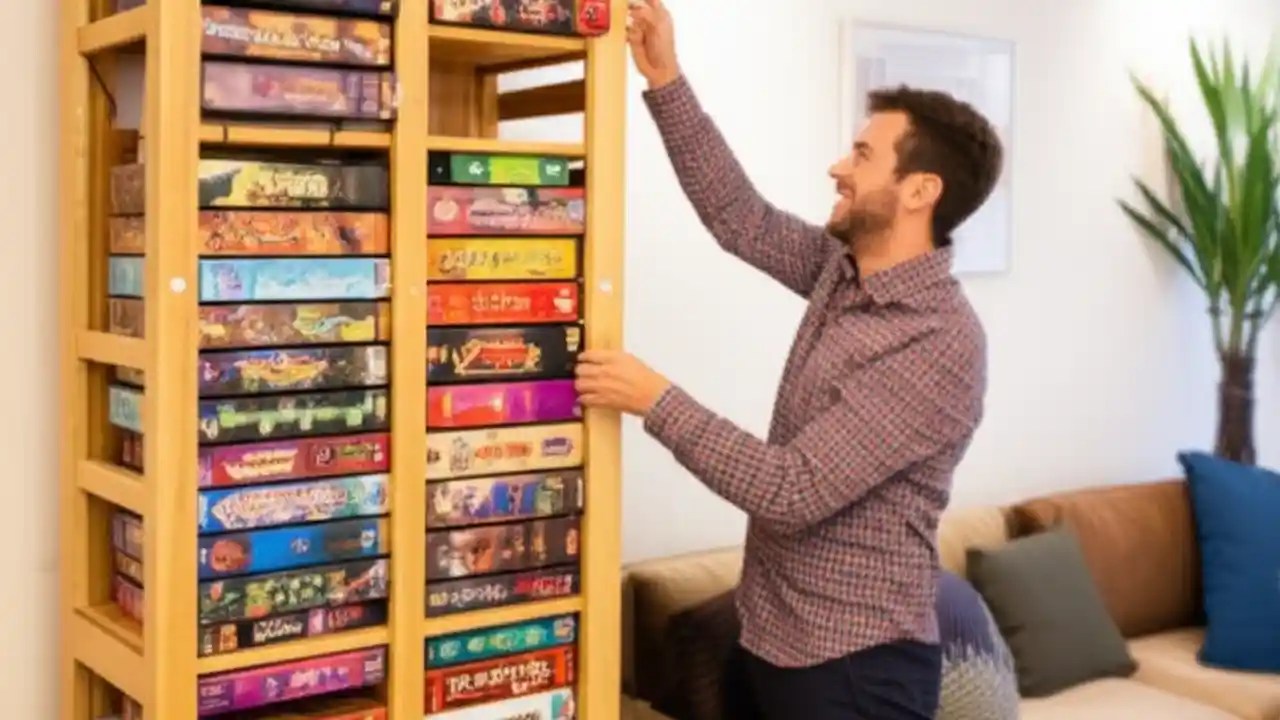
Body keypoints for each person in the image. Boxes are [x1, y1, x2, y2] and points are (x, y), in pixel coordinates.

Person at [573, 0, 1003, 718]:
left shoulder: (940, 344)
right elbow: (739, 218)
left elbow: (792, 490)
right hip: (775, 641)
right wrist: (666, 78)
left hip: (857, 670)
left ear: (919, 191)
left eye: (863, 156)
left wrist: (654, 398)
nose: (839, 166)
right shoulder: (844, 271)